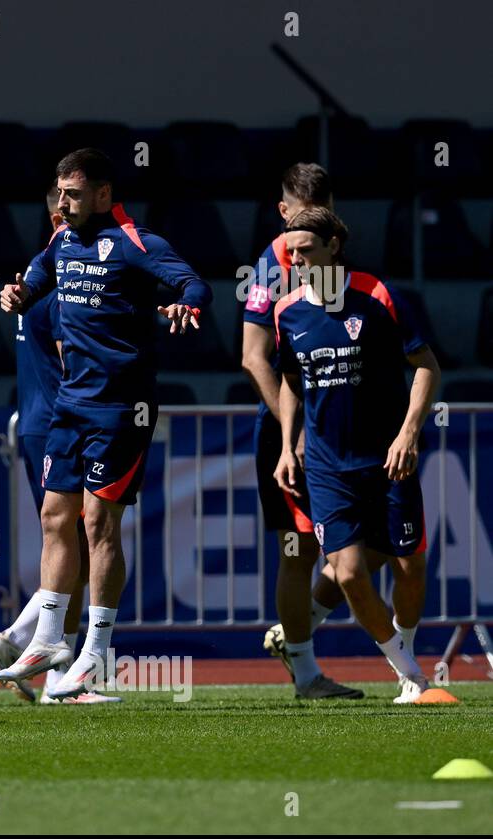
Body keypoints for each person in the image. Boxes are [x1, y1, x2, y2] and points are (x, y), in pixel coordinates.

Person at [0, 148, 210, 697]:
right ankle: (48, 637)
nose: (62, 204)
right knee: (52, 515)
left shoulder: (137, 243)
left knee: (98, 524)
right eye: (59, 193)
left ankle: (94, 652)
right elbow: (35, 280)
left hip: (121, 406)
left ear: (104, 194)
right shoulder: (62, 240)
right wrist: (15, 293)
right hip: (70, 402)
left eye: (72, 193)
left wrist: (187, 304)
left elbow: (195, 284)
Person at [273, 207, 454, 705]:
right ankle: (411, 673)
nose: (298, 261)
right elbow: (291, 381)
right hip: (328, 468)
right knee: (349, 572)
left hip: (389, 460)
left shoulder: (378, 295)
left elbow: (426, 366)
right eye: (292, 253)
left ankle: (409, 656)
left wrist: (408, 434)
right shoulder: (287, 312)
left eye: (307, 250)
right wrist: (288, 445)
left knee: (409, 568)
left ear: (334, 245)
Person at [0, 185, 112, 705]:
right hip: (66, 423)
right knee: (79, 551)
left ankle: (20, 640)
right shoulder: (64, 289)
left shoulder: (33, 285)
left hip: (39, 423)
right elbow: (72, 361)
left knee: (72, 549)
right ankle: (59, 677)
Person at [239, 163, 361, 698]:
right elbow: (253, 357)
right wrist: (295, 432)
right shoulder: (271, 267)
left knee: (369, 546)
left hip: (347, 431)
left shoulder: (334, 258)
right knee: (298, 550)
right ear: (282, 211)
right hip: (292, 436)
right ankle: (306, 673)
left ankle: (297, 629)